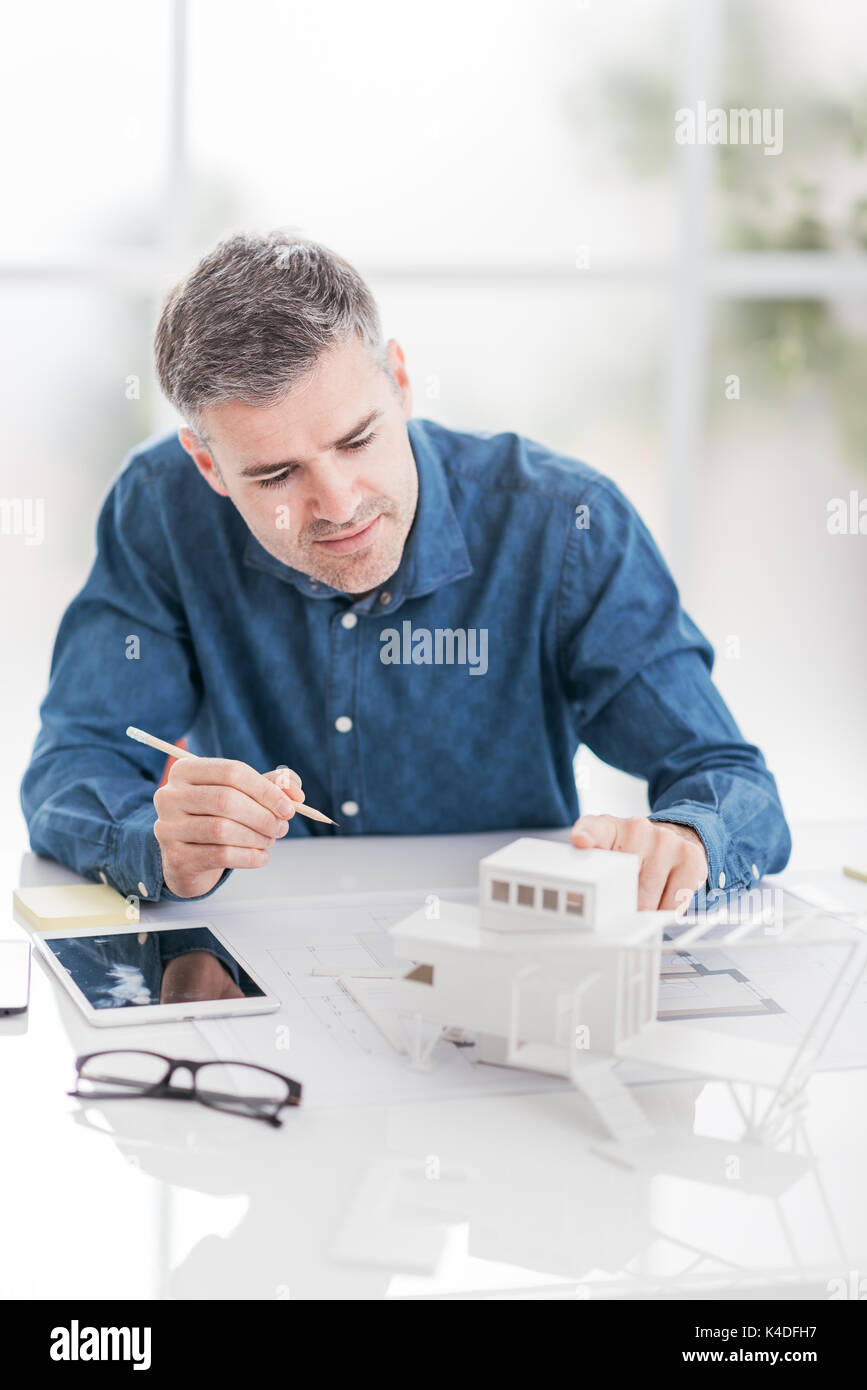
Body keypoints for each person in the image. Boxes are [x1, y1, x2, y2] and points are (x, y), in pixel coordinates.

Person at [21, 230, 791, 911]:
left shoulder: (564, 522)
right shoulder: (162, 506)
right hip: (264, 977)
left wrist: (689, 841)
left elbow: (729, 779)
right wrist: (160, 847)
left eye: (357, 441)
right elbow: (73, 765)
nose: (338, 505)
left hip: (506, 977)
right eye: (275, 476)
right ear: (207, 464)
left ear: (398, 379)